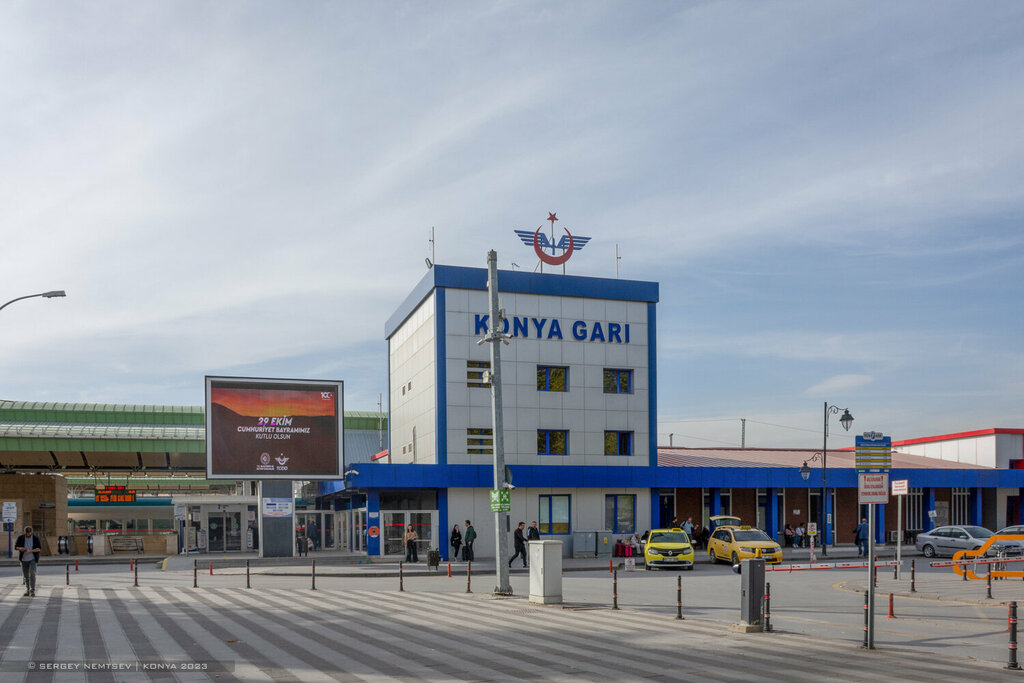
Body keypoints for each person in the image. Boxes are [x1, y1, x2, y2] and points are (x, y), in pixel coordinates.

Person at [15, 525, 41, 597]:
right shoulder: (21, 538)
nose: (28, 534)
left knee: (32, 574)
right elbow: (16, 547)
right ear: (25, 532)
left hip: (32, 559)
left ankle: (32, 590)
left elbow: (38, 549)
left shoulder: (35, 538)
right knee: (26, 575)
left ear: (32, 532)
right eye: (27, 533)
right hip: (23, 559)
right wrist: (21, 548)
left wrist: (30, 551)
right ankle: (27, 590)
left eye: (29, 533)